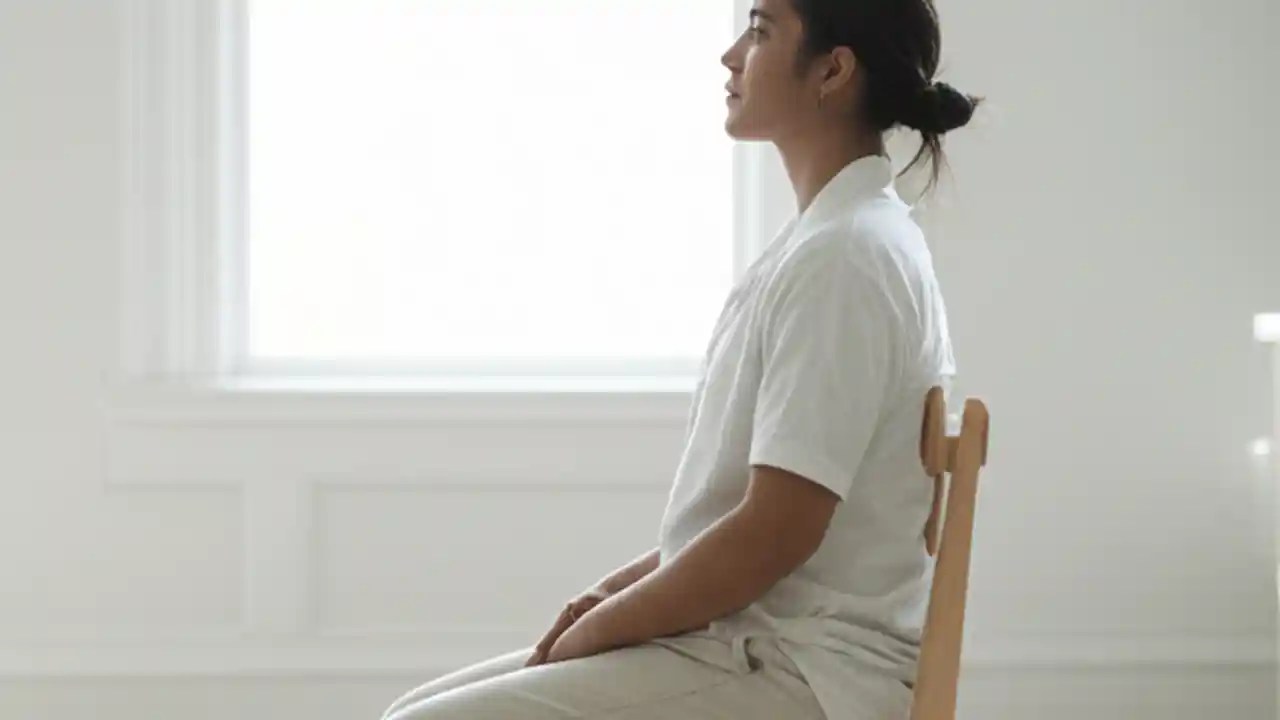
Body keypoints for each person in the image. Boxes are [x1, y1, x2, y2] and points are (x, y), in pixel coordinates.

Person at [381, 0, 977, 717]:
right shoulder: (836, 239)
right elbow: (744, 520)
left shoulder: (847, 256)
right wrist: (609, 595)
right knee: (418, 708)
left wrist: (601, 629)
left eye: (759, 32)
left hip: (805, 670)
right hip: (757, 642)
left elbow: (775, 532)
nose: (732, 57)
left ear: (831, 69)